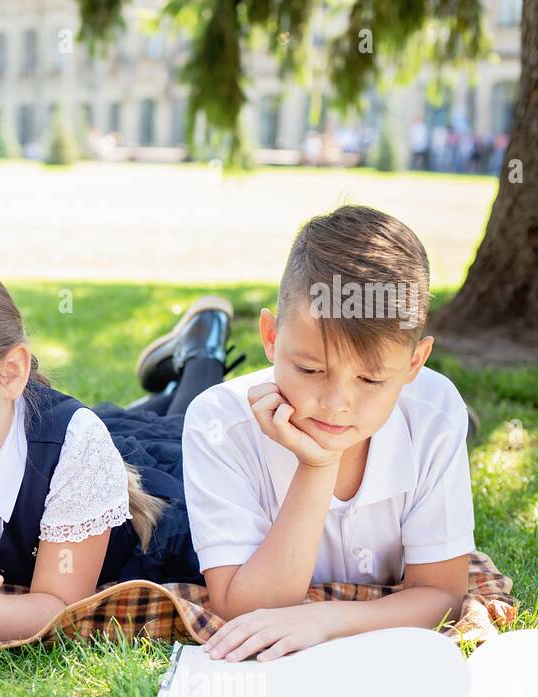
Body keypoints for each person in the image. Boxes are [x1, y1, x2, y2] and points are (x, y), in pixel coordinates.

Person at [0, 252, 230, 643]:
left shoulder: (75, 447)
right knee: (139, 421)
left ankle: (202, 350)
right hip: (51, 430)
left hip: (144, 489)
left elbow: (58, 606)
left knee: (193, 423)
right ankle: (175, 379)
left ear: (11, 373)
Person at [183, 205, 474, 663]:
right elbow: (242, 609)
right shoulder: (217, 424)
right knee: (146, 432)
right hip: (180, 455)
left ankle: (201, 351)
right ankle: (198, 354)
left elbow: (442, 594)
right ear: (271, 337)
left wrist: (324, 619)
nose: (337, 403)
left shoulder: (435, 411)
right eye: (310, 369)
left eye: (371, 380)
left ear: (415, 363)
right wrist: (317, 466)